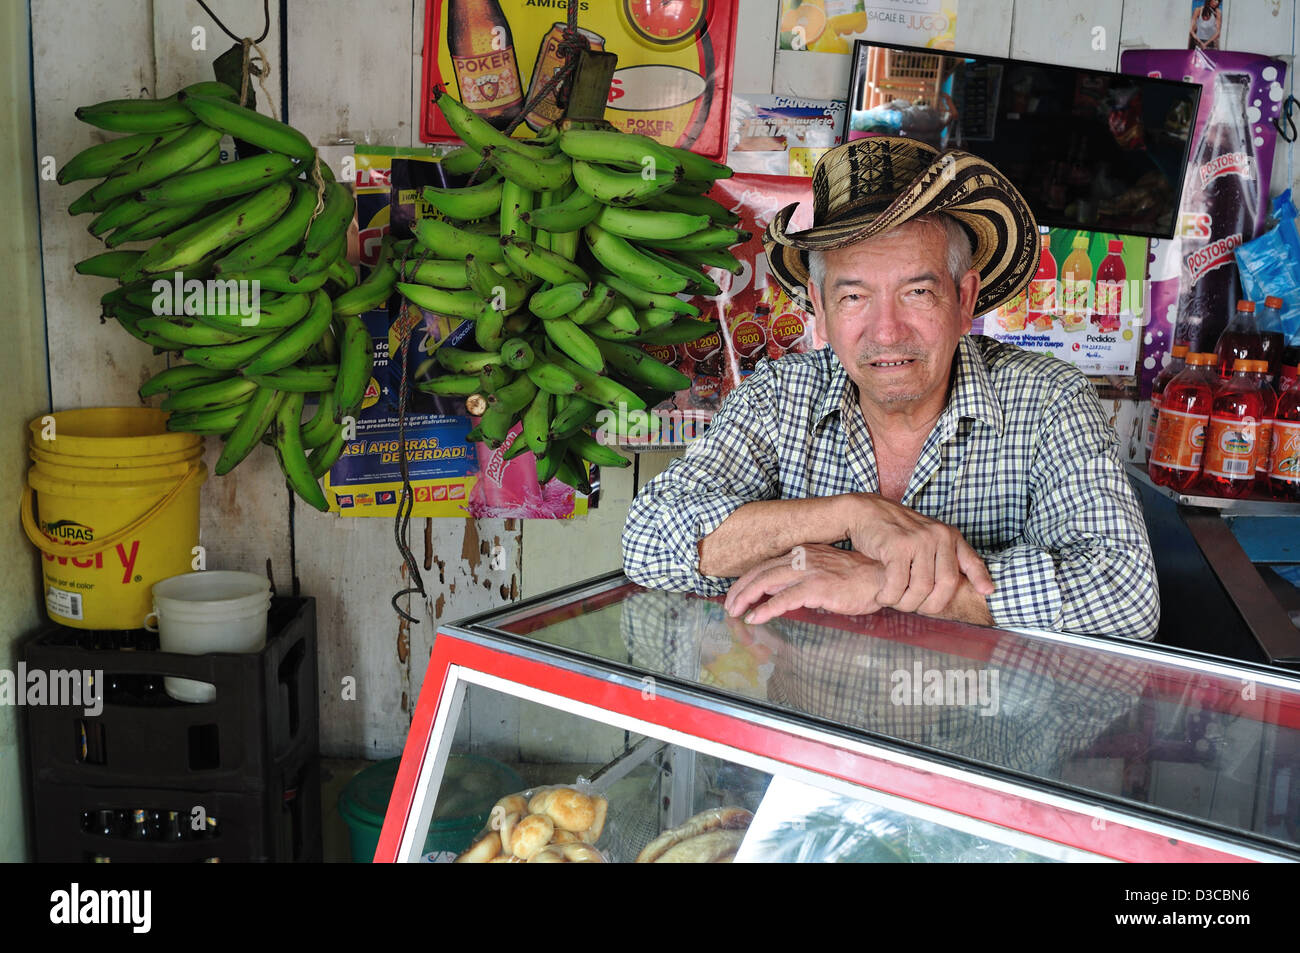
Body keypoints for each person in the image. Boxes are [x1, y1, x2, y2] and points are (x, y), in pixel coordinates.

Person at [621, 136, 1160, 640]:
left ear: (964, 298)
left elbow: (1125, 596)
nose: (886, 332)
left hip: (975, 729)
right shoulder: (777, 396)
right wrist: (853, 515)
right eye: (853, 297)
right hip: (808, 729)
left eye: (918, 291)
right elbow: (646, 542)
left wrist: (881, 582)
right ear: (822, 312)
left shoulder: (1048, 400)